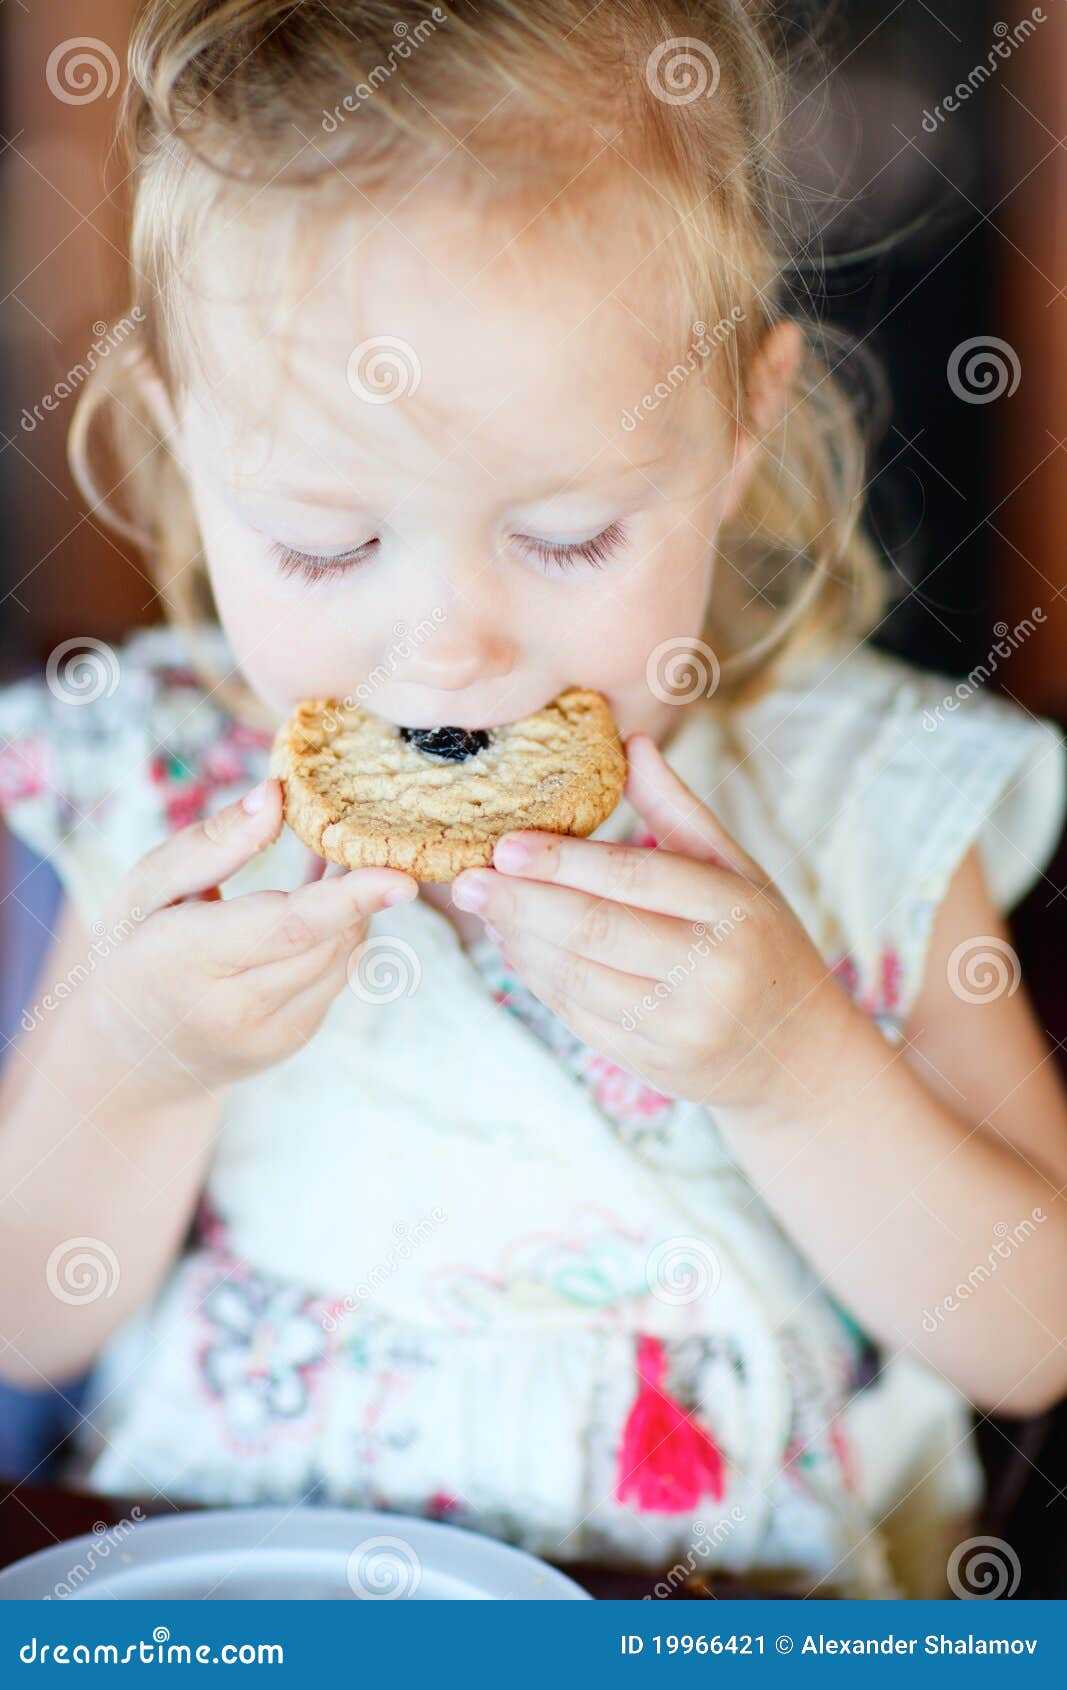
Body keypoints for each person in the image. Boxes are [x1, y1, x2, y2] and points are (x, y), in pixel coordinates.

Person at [1, 0, 1065, 1600]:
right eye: (325, 543)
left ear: (733, 433)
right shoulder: (161, 793)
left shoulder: (854, 802)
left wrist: (792, 1067)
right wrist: (133, 1062)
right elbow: (28, 1319)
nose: (449, 648)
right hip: (244, 1604)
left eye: (568, 534)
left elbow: (1033, 1329)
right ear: (179, 439)